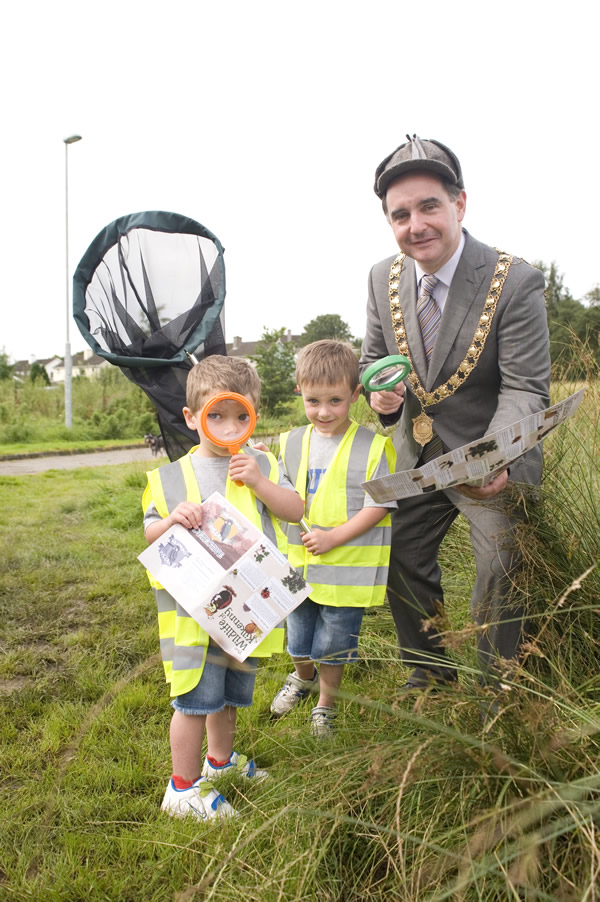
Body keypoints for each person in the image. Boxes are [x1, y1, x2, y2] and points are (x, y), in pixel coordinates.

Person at [360, 135, 551, 690]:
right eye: (400, 214)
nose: (415, 225)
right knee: (398, 552)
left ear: (459, 204)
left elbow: (524, 389)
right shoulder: (381, 277)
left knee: (501, 564)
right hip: (417, 453)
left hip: (493, 459)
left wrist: (495, 456)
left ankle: (501, 690)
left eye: (428, 207)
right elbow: (376, 360)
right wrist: (382, 396)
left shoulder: (514, 280)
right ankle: (430, 676)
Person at [142, 356, 304, 820]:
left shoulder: (264, 463)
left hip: (246, 612)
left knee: (230, 697)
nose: (229, 427)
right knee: (194, 700)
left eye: (241, 416)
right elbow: (150, 531)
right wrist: (172, 520)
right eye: (216, 415)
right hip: (194, 617)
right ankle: (182, 789)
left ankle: (219, 763)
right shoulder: (170, 477)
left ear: (254, 415)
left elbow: (294, 510)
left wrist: (259, 482)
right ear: (191, 418)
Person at [270, 340, 396, 735]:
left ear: (357, 395)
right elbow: (281, 490)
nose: (323, 412)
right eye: (313, 401)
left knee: (334, 642)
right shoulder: (289, 441)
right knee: (298, 637)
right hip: (298, 565)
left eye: (336, 401)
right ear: (300, 394)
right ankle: (302, 677)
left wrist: (335, 537)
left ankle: (325, 702)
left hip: (346, 571)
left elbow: (380, 505)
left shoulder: (375, 447)